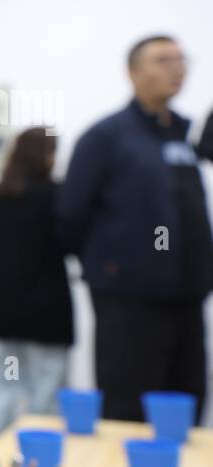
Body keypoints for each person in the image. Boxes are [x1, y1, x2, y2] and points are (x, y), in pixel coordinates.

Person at [59, 35, 212, 422]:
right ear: (133, 72)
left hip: (187, 296)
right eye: (163, 60)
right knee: (128, 406)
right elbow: (70, 215)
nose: (176, 68)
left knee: (186, 403)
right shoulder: (106, 137)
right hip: (127, 302)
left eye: (181, 60)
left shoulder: (181, 135)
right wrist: (111, 266)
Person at [0, 128, 74, 435]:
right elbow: (72, 242)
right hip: (46, 315)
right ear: (48, 155)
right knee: (45, 401)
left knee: (0, 395)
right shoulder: (59, 196)